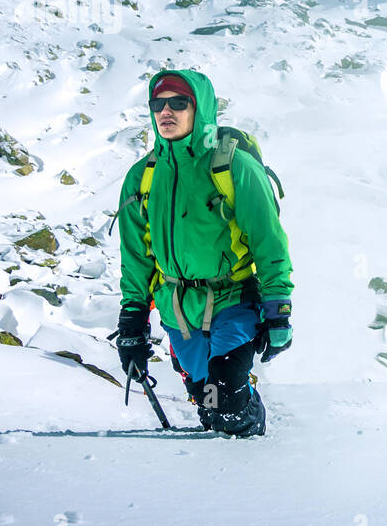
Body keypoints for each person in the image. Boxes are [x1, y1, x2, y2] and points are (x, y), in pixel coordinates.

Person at [112, 68, 293, 436]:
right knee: (206, 402)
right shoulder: (142, 177)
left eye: (179, 103)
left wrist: (277, 309)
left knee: (225, 397)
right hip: (177, 308)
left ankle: (253, 449)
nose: (166, 111)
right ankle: (213, 469)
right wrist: (132, 320)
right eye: (158, 104)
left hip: (233, 298)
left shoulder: (231, 166)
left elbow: (269, 241)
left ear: (199, 109)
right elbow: (137, 257)